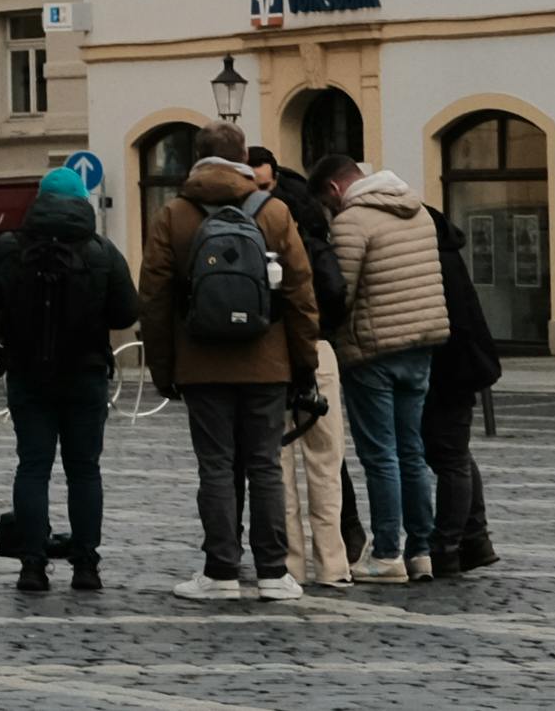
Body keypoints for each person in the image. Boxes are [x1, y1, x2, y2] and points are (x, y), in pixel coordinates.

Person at [136, 150, 323, 600]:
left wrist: (164, 370)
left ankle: (220, 571)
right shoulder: (274, 211)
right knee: (265, 466)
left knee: (216, 466)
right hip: (268, 362)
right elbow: (300, 292)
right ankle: (274, 573)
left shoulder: (173, 213)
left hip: (201, 364)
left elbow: (154, 298)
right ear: (242, 159)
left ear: (199, 158)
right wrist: (304, 365)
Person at [0, 168, 136, 593]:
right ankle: (85, 565)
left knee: (33, 467)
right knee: (84, 471)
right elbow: (126, 313)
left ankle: (32, 564)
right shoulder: (102, 250)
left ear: (39, 200)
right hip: (86, 374)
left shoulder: (9, 246)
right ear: (82, 201)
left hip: (28, 375)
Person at [324, 164, 452, 582]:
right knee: (411, 452)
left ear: (333, 187)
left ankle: (385, 553)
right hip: (421, 344)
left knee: (380, 454)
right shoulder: (418, 212)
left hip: (373, 349)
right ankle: (421, 551)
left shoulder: (351, 220)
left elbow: (339, 291)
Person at [252, 145, 357, 589]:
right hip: (317, 352)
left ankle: (291, 564)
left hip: (268, 354)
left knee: (279, 465)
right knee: (325, 462)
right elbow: (336, 292)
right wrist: (319, 327)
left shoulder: (253, 233)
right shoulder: (313, 235)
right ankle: (333, 564)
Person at [419, 219, 504, 577]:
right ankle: (474, 538)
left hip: (450, 365)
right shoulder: (445, 249)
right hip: (462, 362)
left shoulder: (434, 254)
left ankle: (449, 545)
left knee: (450, 458)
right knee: (456, 454)